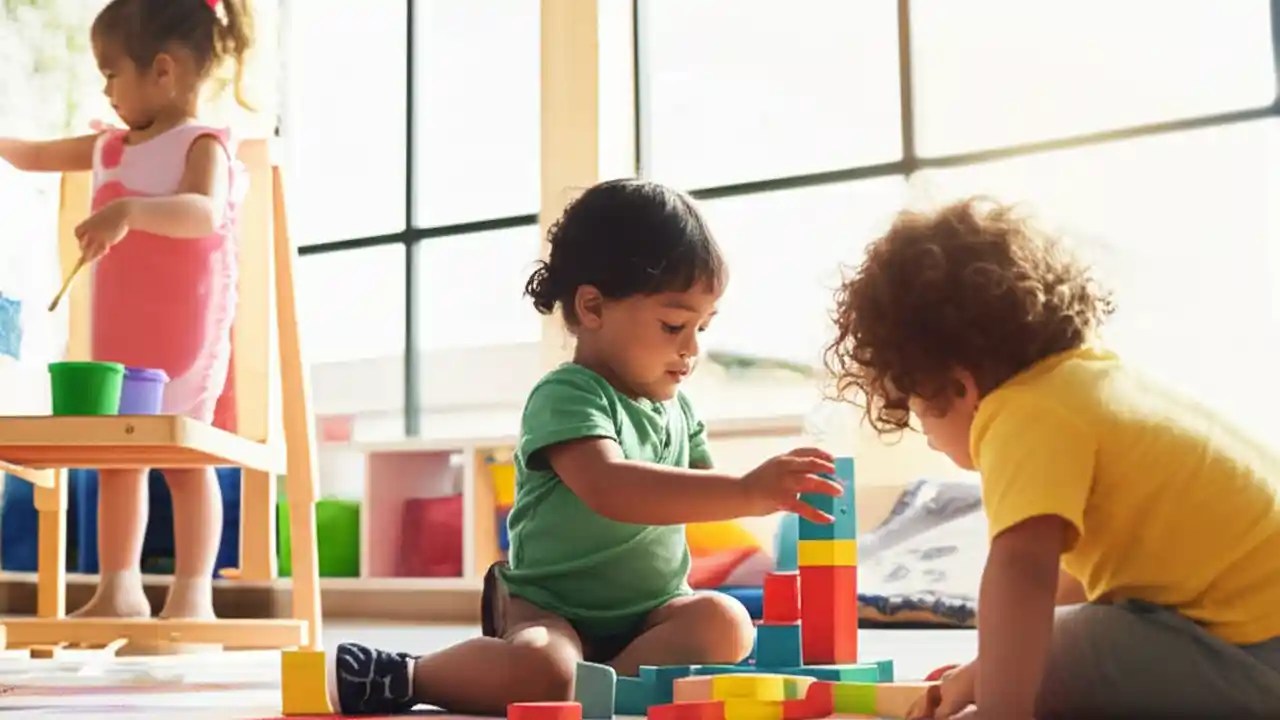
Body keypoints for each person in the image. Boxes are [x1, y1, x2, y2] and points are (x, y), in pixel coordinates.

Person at [329, 179, 843, 715]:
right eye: (674, 325)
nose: (691, 349)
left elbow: (693, 499)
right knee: (545, 671)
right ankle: (409, 675)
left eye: (702, 328)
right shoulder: (568, 394)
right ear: (593, 307)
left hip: (649, 616)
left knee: (727, 622)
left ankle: (600, 691)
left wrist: (764, 527)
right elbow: (610, 487)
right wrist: (747, 489)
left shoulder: (679, 410)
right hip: (550, 610)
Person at [825, 197, 1280, 719]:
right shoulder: (1091, 383)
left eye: (916, 409)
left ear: (959, 385)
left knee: (1051, 650)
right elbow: (1080, 586)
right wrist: (982, 669)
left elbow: (1022, 572)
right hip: (1253, 638)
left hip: (1254, 656)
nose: (924, 434)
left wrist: (999, 701)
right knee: (1047, 639)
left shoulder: (1020, 414)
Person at [0, 0, 253, 620]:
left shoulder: (203, 145)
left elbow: (203, 211)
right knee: (120, 459)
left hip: (183, 343)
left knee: (183, 462)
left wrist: (129, 211)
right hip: (122, 338)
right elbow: (33, 155)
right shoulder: (107, 146)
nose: (106, 89)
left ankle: (194, 593)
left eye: (112, 74)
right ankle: (120, 587)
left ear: (162, 72)